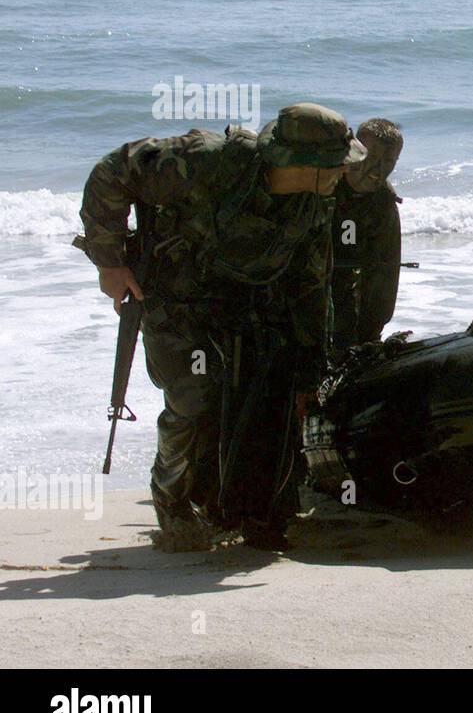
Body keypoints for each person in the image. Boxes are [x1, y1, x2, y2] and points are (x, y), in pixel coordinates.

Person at [78, 103, 365, 550]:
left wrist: (310, 370)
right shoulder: (207, 159)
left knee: (259, 398)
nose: (342, 173)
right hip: (177, 297)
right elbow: (113, 171)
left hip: (247, 301)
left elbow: (312, 283)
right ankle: (170, 499)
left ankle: (230, 502)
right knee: (193, 395)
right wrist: (109, 261)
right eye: (334, 164)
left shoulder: (315, 202)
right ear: (301, 164)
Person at [331, 118, 403, 354]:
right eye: (372, 158)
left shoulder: (384, 203)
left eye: (389, 161)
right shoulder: (326, 183)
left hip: (355, 285)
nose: (379, 169)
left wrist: (372, 335)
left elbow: (386, 274)